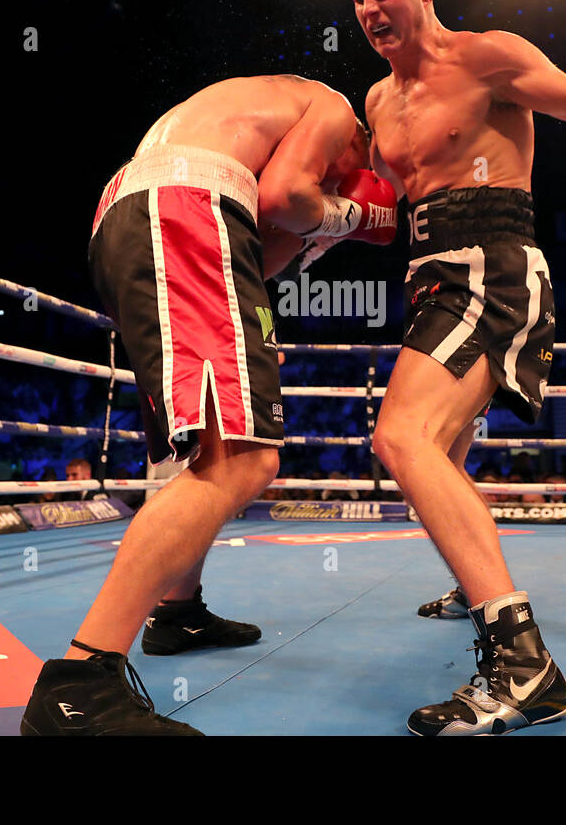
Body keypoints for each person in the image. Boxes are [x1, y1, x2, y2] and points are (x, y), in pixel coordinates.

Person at [346, 0, 566, 735]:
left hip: (491, 265)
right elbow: (385, 208)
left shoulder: (487, 56)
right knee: (440, 451)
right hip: (427, 278)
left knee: (402, 439)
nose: (370, 10)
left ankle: (523, 664)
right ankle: (470, 580)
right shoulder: (378, 101)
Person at [21, 74, 388, 736]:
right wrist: (359, 212)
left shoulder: (252, 124)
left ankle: (178, 612)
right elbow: (287, 195)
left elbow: (262, 253)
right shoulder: (333, 109)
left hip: (152, 216)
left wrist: (326, 229)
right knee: (244, 462)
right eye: (357, 170)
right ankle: (78, 688)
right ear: (362, 143)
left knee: (206, 446)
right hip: (182, 207)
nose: (345, 178)